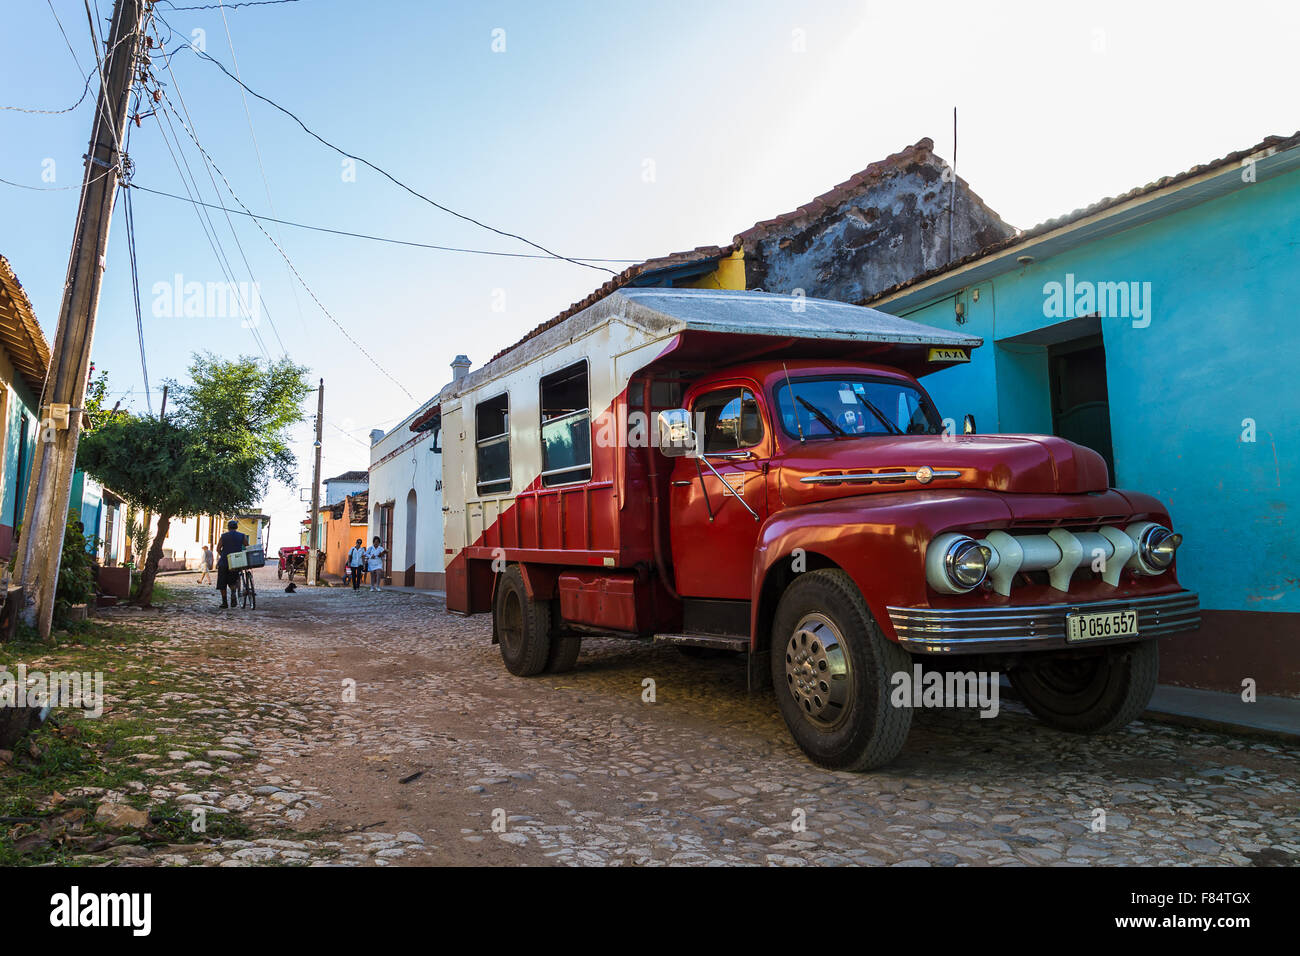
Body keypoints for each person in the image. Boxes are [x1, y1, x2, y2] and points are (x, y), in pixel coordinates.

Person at [215, 519, 249, 609]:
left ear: (228, 527)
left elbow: (218, 548)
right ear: (236, 527)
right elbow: (247, 546)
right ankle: (233, 592)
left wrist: (223, 555)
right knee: (233, 580)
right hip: (236, 562)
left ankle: (224, 603)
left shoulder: (223, 536)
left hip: (224, 562)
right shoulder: (242, 536)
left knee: (222, 583)